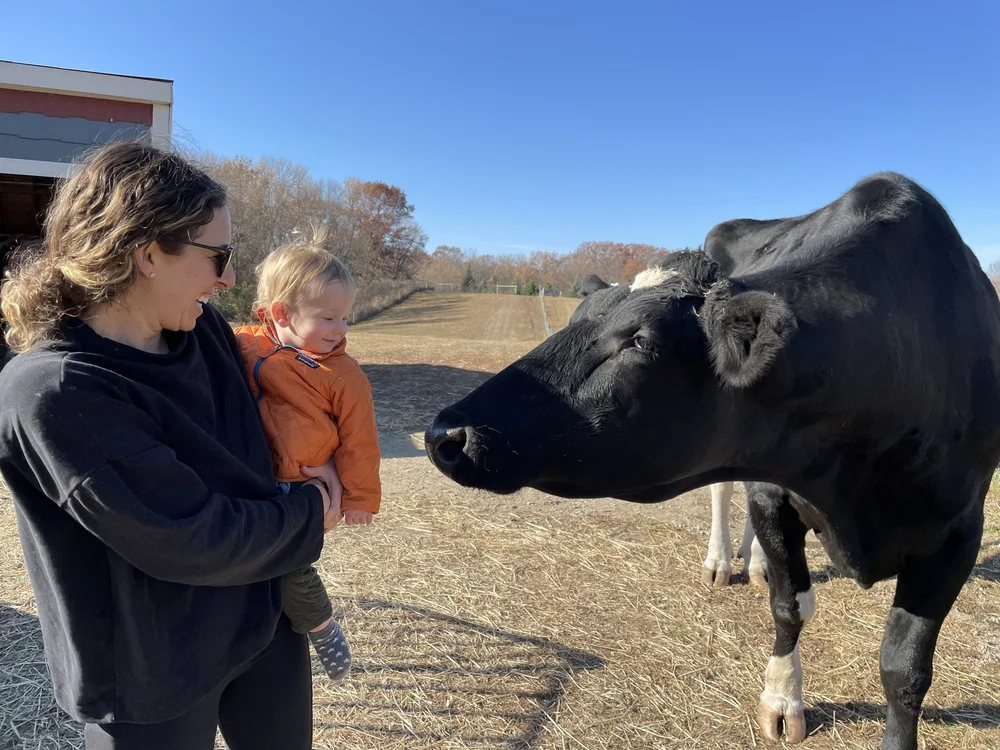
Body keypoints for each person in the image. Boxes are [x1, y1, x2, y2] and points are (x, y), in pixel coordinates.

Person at [0, 141, 341, 750]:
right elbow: (188, 536)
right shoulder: (56, 391)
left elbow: (252, 449)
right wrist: (315, 508)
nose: (231, 277)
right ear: (148, 254)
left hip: (260, 626)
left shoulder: (199, 324)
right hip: (148, 678)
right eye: (219, 256)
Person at [233, 226, 381, 682]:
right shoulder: (244, 344)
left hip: (300, 483)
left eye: (345, 319)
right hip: (251, 476)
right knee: (245, 556)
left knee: (290, 566)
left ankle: (321, 626)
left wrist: (358, 498)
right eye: (328, 318)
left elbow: (360, 440)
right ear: (281, 313)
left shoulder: (343, 375)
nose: (340, 331)